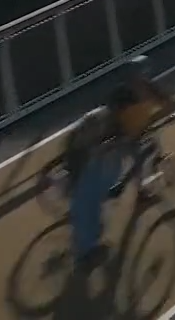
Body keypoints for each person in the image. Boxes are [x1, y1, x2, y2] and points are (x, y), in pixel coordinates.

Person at [106, 55, 174, 198]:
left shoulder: (150, 87)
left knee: (148, 150)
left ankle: (140, 188)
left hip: (141, 130)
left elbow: (166, 102)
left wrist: (167, 114)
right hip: (124, 134)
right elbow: (113, 117)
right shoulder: (121, 94)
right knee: (141, 156)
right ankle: (122, 185)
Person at [62, 106, 117, 268]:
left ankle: (86, 241)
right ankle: (84, 254)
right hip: (80, 158)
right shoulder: (100, 126)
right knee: (87, 205)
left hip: (80, 154)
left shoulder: (102, 118)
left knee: (88, 200)